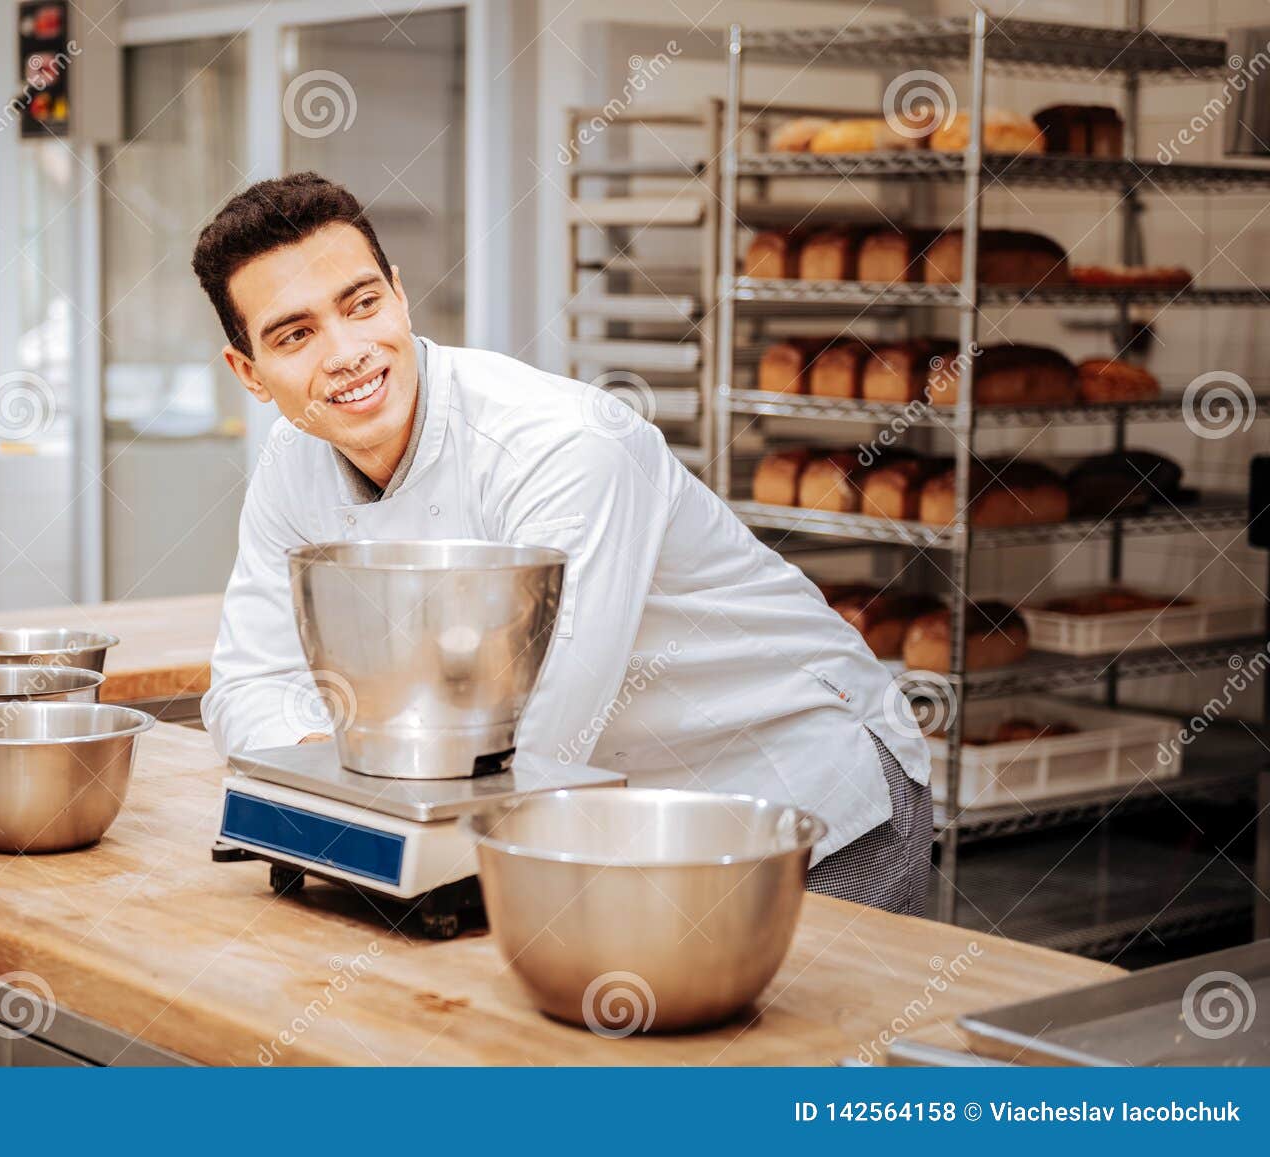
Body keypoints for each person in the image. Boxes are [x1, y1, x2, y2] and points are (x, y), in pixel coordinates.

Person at [192, 172, 932, 916]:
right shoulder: (293, 463)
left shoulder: (566, 448)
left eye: (362, 303)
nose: (348, 351)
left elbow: (538, 737)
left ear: (400, 292)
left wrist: (337, 783)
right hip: (594, 830)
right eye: (296, 334)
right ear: (250, 373)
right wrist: (334, 764)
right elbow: (248, 689)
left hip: (796, 796)